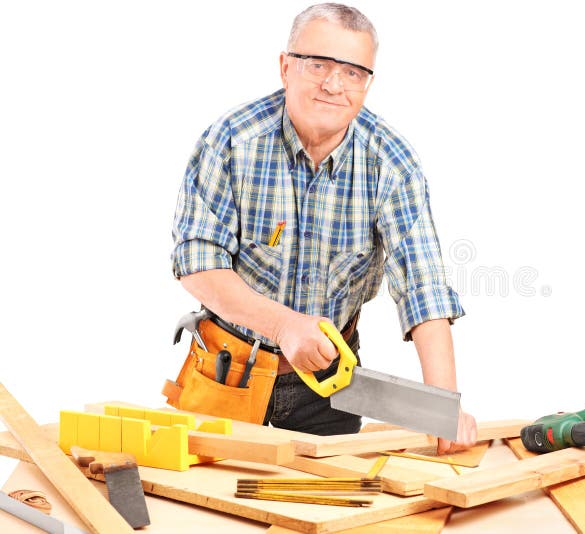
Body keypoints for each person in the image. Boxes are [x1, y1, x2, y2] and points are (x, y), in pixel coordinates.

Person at [171, 3, 477, 453]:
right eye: (318, 65)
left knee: (328, 512)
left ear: (368, 83)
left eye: (353, 72)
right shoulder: (230, 141)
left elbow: (423, 287)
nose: (334, 85)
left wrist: (442, 407)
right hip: (228, 370)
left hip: (330, 383)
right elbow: (197, 264)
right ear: (285, 67)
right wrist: (285, 326)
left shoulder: (392, 163)